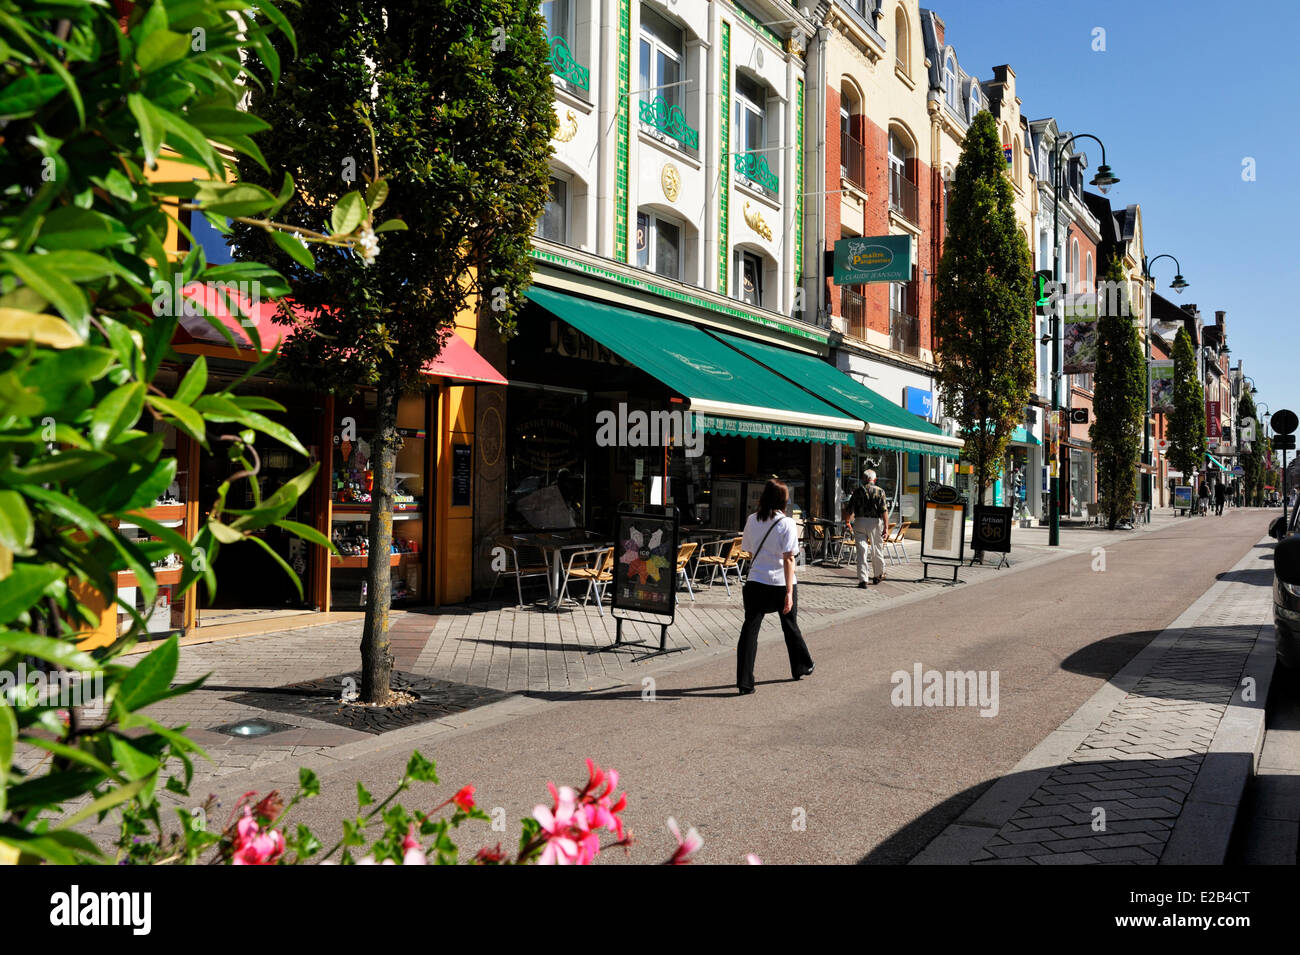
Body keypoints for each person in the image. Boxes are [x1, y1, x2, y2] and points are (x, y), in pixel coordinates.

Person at [736, 479, 813, 696]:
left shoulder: (752, 520)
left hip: (756, 581)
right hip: (780, 583)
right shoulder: (787, 523)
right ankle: (800, 666)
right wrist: (789, 592)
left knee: (750, 630)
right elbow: (789, 559)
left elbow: (750, 552)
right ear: (783, 500)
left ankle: (744, 681)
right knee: (789, 625)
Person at [845, 468, 889, 587]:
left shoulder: (857, 491)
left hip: (859, 521)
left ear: (864, 479)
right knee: (877, 549)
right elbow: (884, 510)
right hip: (874, 522)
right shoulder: (880, 491)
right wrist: (886, 527)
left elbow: (850, 509)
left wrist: (847, 521)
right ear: (874, 479)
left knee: (861, 551)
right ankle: (878, 575)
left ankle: (863, 579)